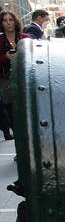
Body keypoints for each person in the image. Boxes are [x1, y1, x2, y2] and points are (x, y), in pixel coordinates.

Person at [1, 10, 31, 141]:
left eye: (11, 20)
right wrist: (5, 57)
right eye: (5, 20)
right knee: (11, 111)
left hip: (25, 79)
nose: (9, 23)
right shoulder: (0, 40)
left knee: (26, 110)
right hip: (5, 79)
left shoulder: (25, 38)